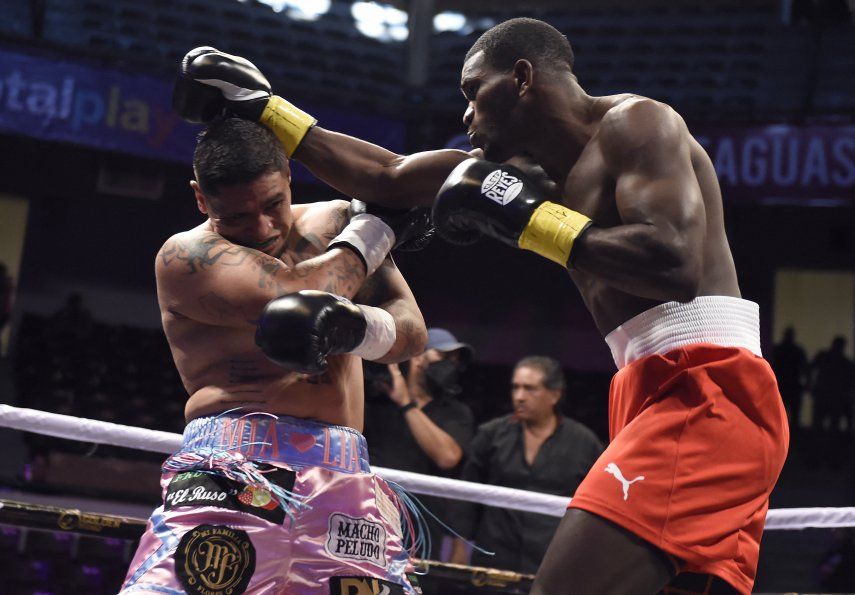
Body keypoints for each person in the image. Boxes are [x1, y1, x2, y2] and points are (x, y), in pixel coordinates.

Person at [173, 18, 790, 592]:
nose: (465, 112)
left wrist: (528, 220)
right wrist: (265, 108)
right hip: (646, 385)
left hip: (708, 387)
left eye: (473, 91)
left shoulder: (637, 123)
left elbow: (674, 264)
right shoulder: (514, 172)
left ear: (521, 77)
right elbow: (387, 176)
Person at [119, 117, 431, 594]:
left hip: (344, 479)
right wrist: (376, 230)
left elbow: (412, 332)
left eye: (272, 205)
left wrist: (356, 327)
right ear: (201, 199)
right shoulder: (186, 256)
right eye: (237, 217)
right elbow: (295, 300)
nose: (262, 227)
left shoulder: (335, 224)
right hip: (233, 469)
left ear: (288, 174)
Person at [449, 355, 602, 574]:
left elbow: (595, 507)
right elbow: (467, 495)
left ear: (554, 395)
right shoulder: (491, 435)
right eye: (515, 387)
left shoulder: (584, 443)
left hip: (551, 562)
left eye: (530, 389)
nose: (519, 397)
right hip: (493, 558)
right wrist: (459, 547)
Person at [364, 327, 475, 560]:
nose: (450, 366)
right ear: (417, 357)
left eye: (455, 361)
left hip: (421, 529)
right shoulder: (376, 403)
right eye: (443, 356)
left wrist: (407, 404)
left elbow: (448, 457)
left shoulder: (456, 413)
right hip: (371, 518)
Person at [772, 327, 808, 430]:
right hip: (792, 386)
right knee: (793, 416)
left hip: (782, 385)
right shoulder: (798, 351)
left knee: (779, 415)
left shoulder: (778, 350)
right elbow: (805, 369)